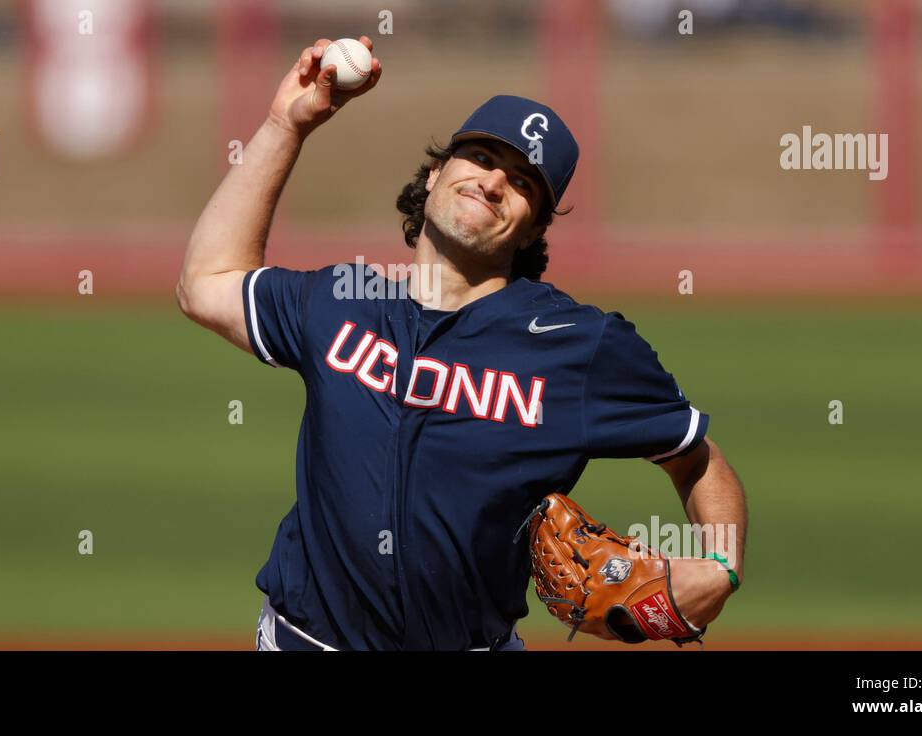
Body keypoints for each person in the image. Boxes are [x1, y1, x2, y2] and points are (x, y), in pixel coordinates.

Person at [176, 37, 747, 650]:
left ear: (535, 225)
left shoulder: (581, 346)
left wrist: (721, 567)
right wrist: (283, 126)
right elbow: (206, 284)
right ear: (435, 174)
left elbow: (696, 455)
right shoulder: (344, 300)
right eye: (479, 156)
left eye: (524, 180)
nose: (494, 181)